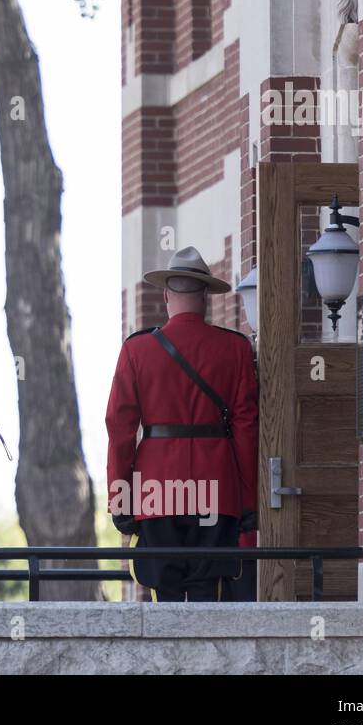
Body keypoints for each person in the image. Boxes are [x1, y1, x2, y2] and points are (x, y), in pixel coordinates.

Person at [105, 247, 259, 602]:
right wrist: (248, 500)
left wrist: (120, 498)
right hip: (216, 488)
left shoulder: (137, 350)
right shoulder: (234, 348)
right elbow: (246, 429)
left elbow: (120, 429)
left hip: (157, 491)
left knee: (165, 594)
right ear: (205, 295)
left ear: (165, 296)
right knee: (209, 590)